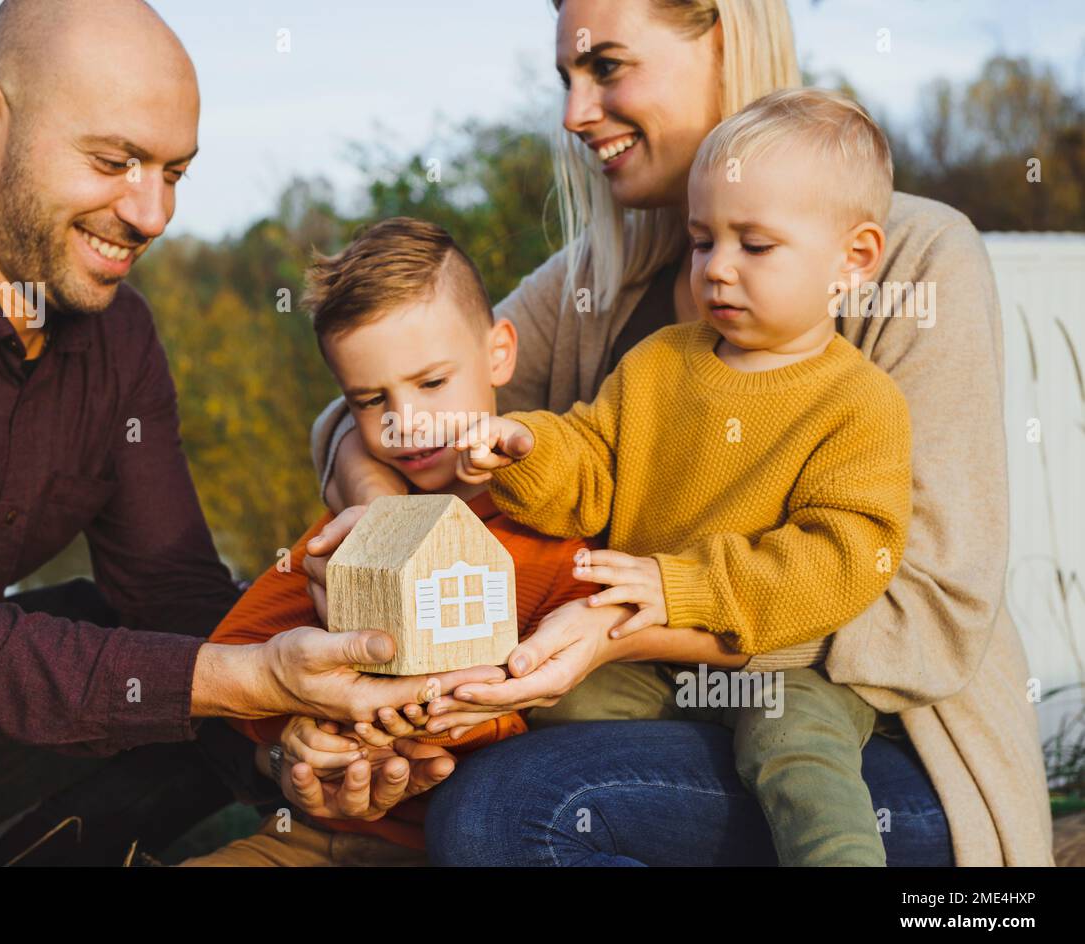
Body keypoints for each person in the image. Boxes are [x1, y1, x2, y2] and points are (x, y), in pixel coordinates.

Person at [306, 0, 1054, 865]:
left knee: (508, 807)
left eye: (609, 67)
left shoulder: (914, 260)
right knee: (494, 739)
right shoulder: (610, 275)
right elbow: (368, 414)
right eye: (567, 78)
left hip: (877, 741)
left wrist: (630, 615)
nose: (574, 114)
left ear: (725, 40)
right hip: (653, 695)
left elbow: (923, 608)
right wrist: (392, 526)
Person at [0, 0, 475, 865]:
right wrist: (237, 680)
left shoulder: (120, 333)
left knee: (155, 635)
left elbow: (174, 592)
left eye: (175, 173)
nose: (152, 214)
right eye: (116, 161)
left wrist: (285, 744)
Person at [452, 88, 912, 866]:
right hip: (654, 661)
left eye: (755, 246)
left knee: (800, 761)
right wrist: (530, 450)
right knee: (544, 694)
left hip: (786, 667)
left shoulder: (860, 402)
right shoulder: (662, 362)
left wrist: (685, 587)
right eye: (703, 241)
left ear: (854, 259)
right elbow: (594, 466)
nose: (718, 269)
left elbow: (843, 556)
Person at [177, 218, 600, 866]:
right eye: (372, 400)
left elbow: (572, 711)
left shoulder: (553, 535)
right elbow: (234, 661)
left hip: (464, 841)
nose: (407, 424)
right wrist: (295, 735)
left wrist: (457, 714)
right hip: (313, 836)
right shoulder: (351, 537)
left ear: (499, 353)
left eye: (432, 383)